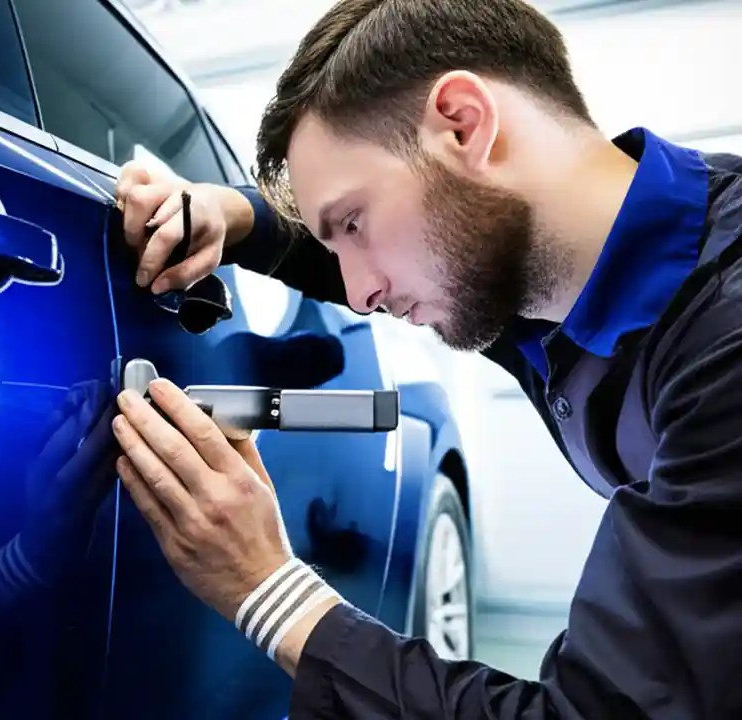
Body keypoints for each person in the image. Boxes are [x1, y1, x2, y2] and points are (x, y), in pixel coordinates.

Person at [107, 0, 742, 717]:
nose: (360, 292)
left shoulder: (727, 342)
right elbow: (342, 252)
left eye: (353, 222)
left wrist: (267, 589)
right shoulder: (541, 276)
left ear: (464, 124)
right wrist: (239, 217)